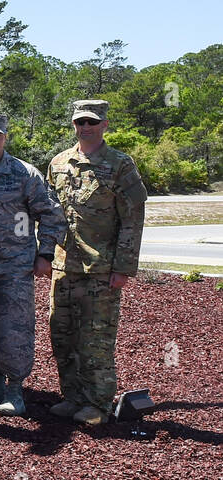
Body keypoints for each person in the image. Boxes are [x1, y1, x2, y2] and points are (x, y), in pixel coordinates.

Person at [46, 100, 147, 426]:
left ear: (104, 124)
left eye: (92, 121)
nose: (85, 127)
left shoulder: (120, 165)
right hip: (64, 268)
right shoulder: (59, 163)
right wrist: (44, 253)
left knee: (95, 341)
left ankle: (97, 403)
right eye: (80, 122)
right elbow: (49, 216)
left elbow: (132, 219)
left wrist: (123, 267)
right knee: (62, 336)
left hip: (101, 270)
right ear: (74, 124)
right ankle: (72, 396)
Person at [0, 114, 65, 416]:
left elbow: (51, 214)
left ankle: (15, 390)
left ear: (5, 137)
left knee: (14, 331)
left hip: (14, 269)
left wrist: (45, 254)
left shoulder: (24, 173)